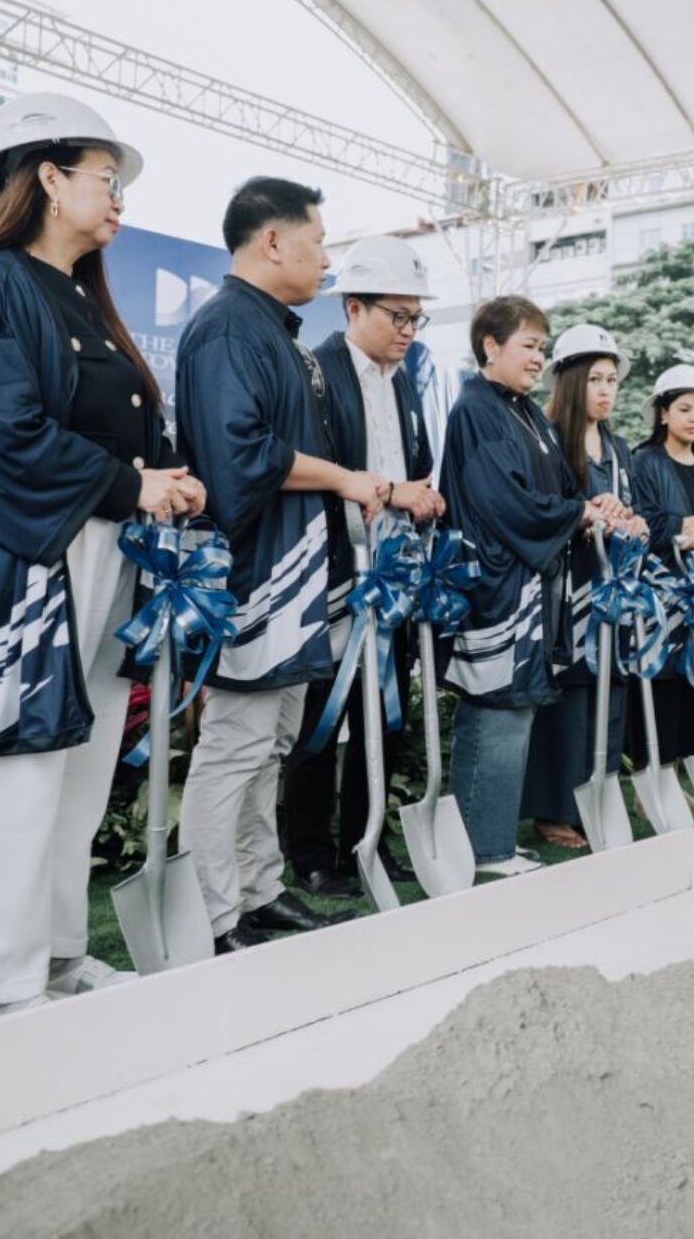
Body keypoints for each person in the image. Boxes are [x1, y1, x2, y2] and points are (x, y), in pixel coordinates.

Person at [0, 93, 201, 1020]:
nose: (120, 197)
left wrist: (162, 480)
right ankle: (4, 989)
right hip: (25, 559)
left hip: (95, 553)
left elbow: (97, 434)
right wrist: (130, 485)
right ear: (50, 179)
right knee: (15, 772)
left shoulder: (77, 297)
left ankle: (58, 957)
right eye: (106, 177)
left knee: (81, 765)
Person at [174, 179, 385, 950]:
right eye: (320, 241)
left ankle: (259, 892)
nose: (327, 258)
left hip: (294, 578)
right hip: (254, 577)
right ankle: (212, 912)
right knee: (235, 744)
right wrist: (343, 478)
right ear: (273, 240)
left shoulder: (275, 332)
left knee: (268, 744)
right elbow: (239, 458)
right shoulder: (230, 330)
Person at [439, 298, 630, 876]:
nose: (538, 359)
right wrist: (578, 516)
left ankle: (494, 841)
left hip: (528, 588)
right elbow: (506, 501)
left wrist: (585, 506)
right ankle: (485, 848)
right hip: (498, 590)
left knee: (515, 711)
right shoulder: (477, 410)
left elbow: (552, 494)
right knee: (495, 711)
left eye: (542, 348)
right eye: (529, 346)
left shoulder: (521, 411)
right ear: (490, 346)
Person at [281, 235, 443, 897]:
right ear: (353, 308)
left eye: (416, 318)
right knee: (324, 716)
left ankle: (364, 835)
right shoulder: (316, 372)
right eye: (395, 316)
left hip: (396, 573)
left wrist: (424, 494)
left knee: (386, 711)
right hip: (334, 575)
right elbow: (309, 468)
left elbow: (418, 461)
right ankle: (312, 853)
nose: (408, 330)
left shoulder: (405, 383)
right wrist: (389, 490)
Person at [524, 324, 648, 849]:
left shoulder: (619, 448)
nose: (605, 390)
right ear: (569, 381)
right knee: (571, 695)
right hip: (569, 588)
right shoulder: (549, 439)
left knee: (611, 689)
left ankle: (597, 794)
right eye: (594, 379)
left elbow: (633, 509)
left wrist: (634, 523)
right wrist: (588, 518)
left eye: (612, 380)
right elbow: (545, 511)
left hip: (613, 590)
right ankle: (554, 810)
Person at [628, 366, 694, 790]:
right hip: (659, 604)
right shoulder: (644, 463)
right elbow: (645, 524)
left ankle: (673, 783)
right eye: (683, 409)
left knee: (693, 694)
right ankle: (649, 786)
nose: (693, 418)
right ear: (663, 414)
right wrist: (692, 532)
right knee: (658, 691)